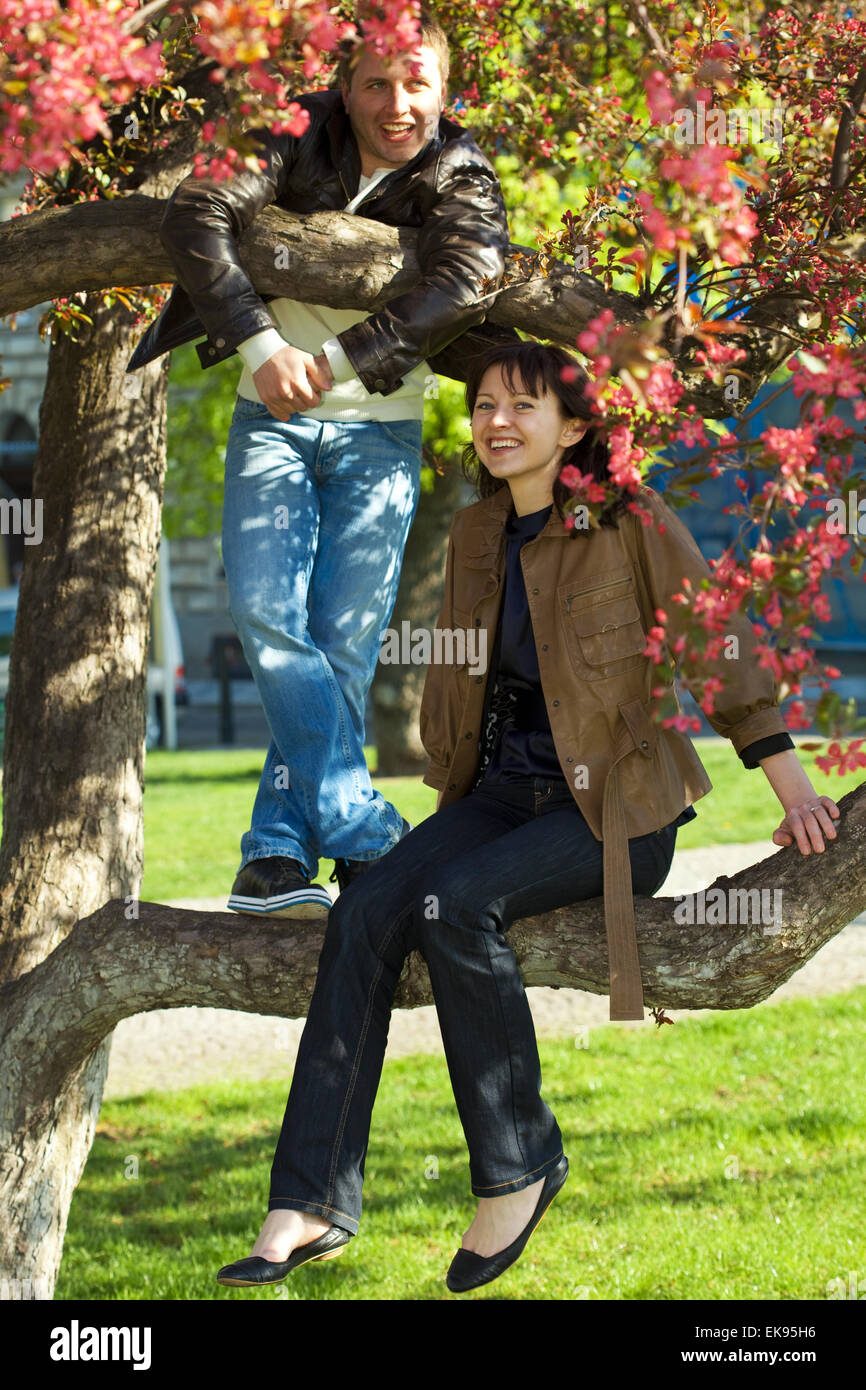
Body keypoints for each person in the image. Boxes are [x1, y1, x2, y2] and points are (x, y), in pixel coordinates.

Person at [215, 338, 841, 1294]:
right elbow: (462, 682)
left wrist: (790, 785)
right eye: (483, 407)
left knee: (454, 908)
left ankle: (519, 1163)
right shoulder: (474, 534)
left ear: (576, 425)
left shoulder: (629, 518)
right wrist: (431, 819)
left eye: (523, 407)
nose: (496, 423)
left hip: (617, 806)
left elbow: (719, 642)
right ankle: (308, 1200)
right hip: (501, 797)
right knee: (368, 909)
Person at [126, 8, 517, 915]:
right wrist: (265, 350)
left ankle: (274, 855)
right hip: (268, 415)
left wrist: (333, 364)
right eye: (376, 82)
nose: (396, 103)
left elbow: (466, 280)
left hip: (382, 427)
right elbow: (197, 212)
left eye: (416, 83)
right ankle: (361, 825)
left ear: (445, 89)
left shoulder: (462, 172)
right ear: (344, 86)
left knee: (342, 641)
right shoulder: (291, 133)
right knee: (265, 611)